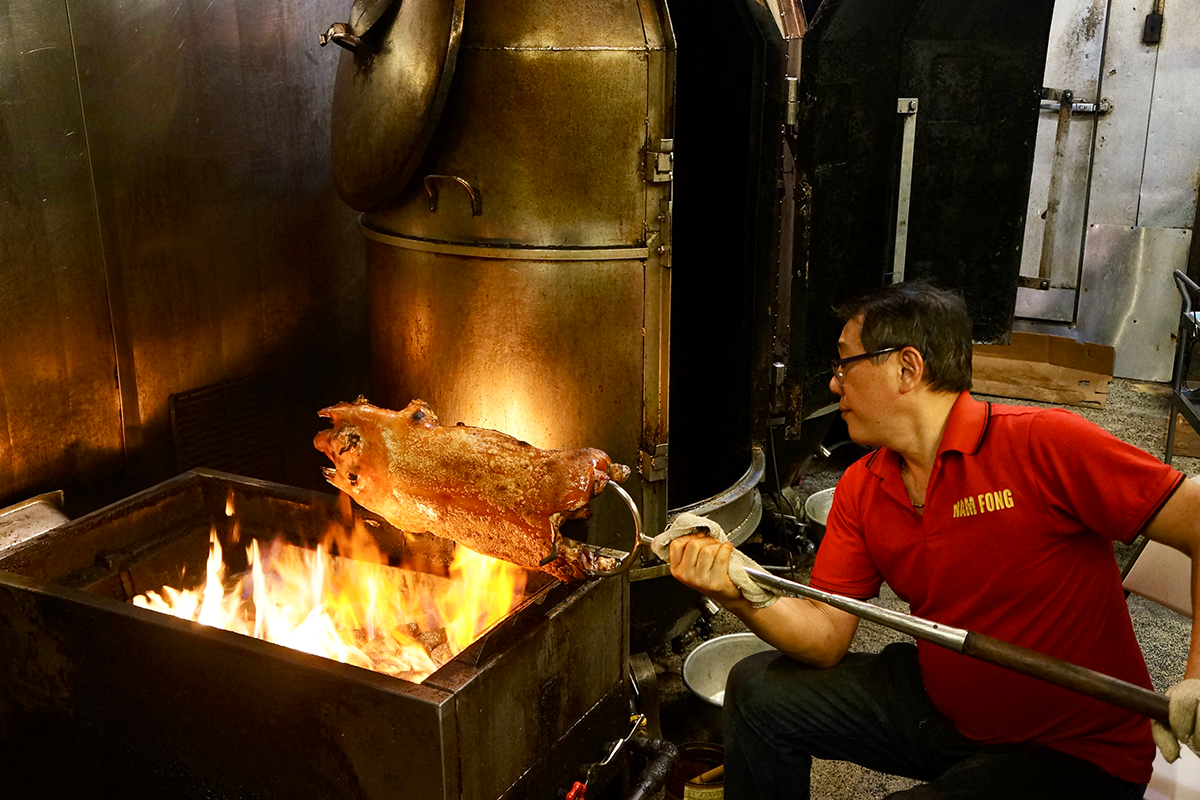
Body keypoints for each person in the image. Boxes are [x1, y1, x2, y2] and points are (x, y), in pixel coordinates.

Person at [668, 281, 1200, 799]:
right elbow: (826, 637)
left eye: (843, 364)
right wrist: (736, 588)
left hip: (1076, 751)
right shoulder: (863, 485)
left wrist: (1197, 681)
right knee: (759, 690)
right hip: (948, 711)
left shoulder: (1045, 443)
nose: (833, 384)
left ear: (906, 367)